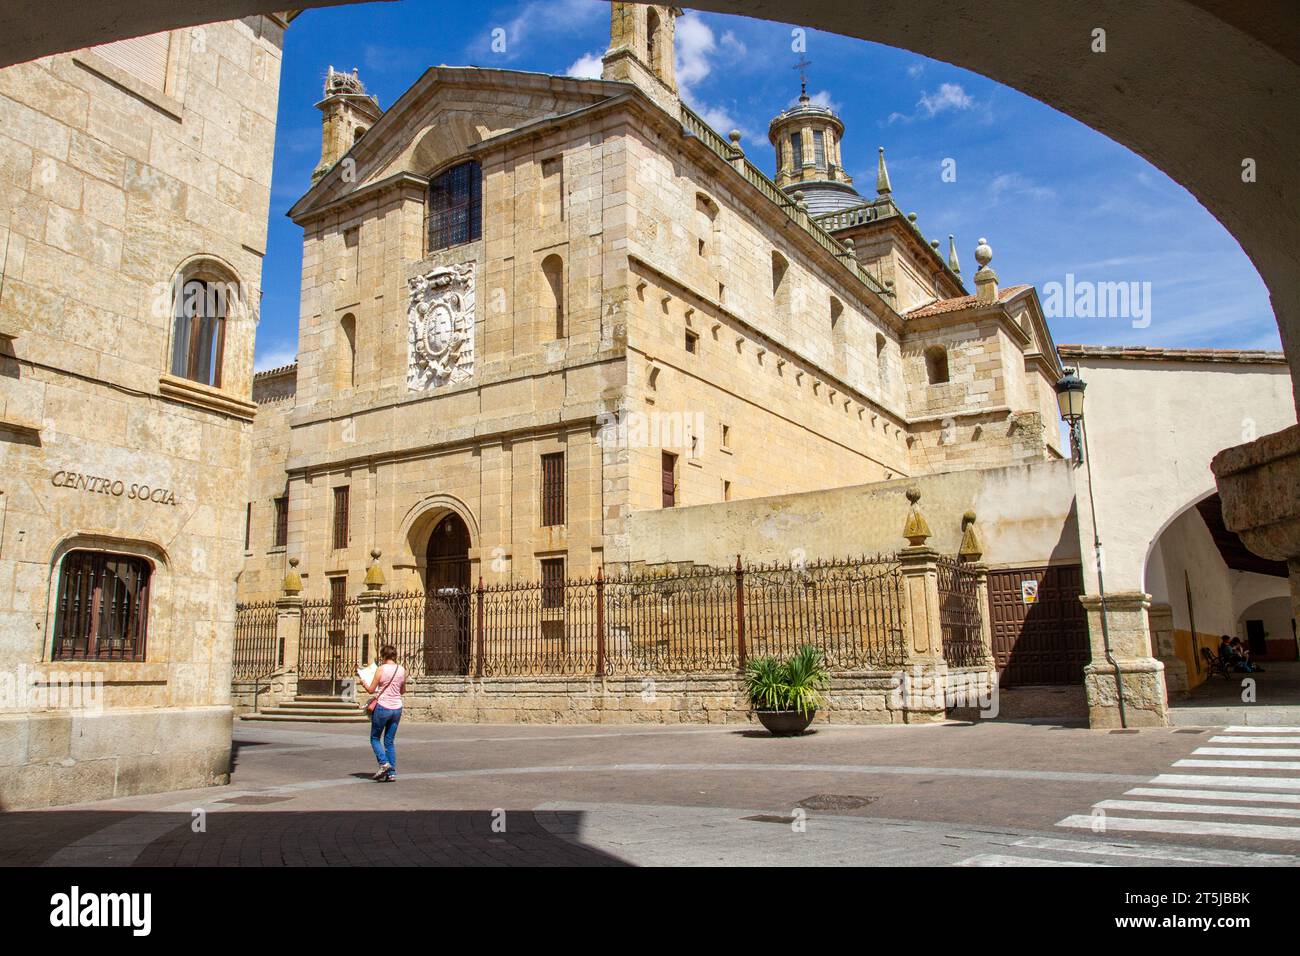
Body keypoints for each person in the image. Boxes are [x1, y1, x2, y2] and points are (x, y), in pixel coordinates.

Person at [359, 644, 407, 781]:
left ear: (383, 656)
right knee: (389, 741)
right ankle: (391, 773)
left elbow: (371, 690)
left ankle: (383, 763)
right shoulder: (401, 669)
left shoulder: (380, 669)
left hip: (383, 707)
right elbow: (403, 690)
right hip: (397, 708)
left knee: (374, 738)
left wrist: (363, 683)